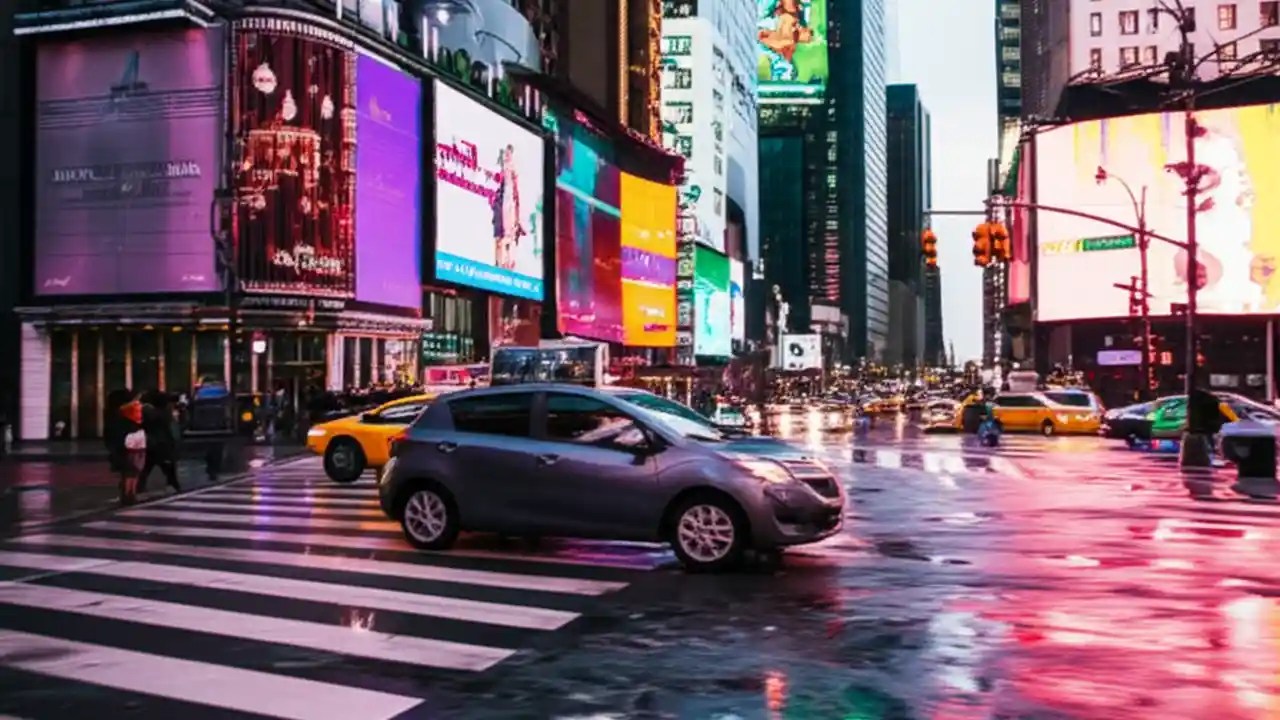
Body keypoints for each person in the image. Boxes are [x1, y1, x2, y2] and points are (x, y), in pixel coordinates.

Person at [105, 390, 144, 505]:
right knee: (132, 471)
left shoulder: (114, 415)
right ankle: (130, 494)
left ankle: (128, 494)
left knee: (129, 471)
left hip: (125, 445)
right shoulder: (126, 413)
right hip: (131, 444)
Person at [138, 391, 181, 494]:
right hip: (163, 444)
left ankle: (138, 489)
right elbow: (171, 430)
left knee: (146, 468)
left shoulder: (147, 412)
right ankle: (174, 486)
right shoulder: (166, 413)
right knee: (168, 469)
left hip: (151, 443)